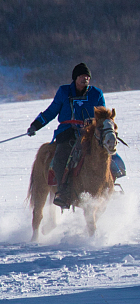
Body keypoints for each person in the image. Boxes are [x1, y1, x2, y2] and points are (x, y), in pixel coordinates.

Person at [27, 63, 106, 209]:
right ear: (75, 78)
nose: (85, 79)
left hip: (90, 134)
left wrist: (93, 122)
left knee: (107, 153)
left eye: (87, 76)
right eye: (82, 76)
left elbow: (102, 115)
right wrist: (35, 125)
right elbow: (51, 111)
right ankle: (62, 192)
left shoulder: (96, 94)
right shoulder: (64, 92)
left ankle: (110, 185)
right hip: (67, 133)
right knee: (60, 159)